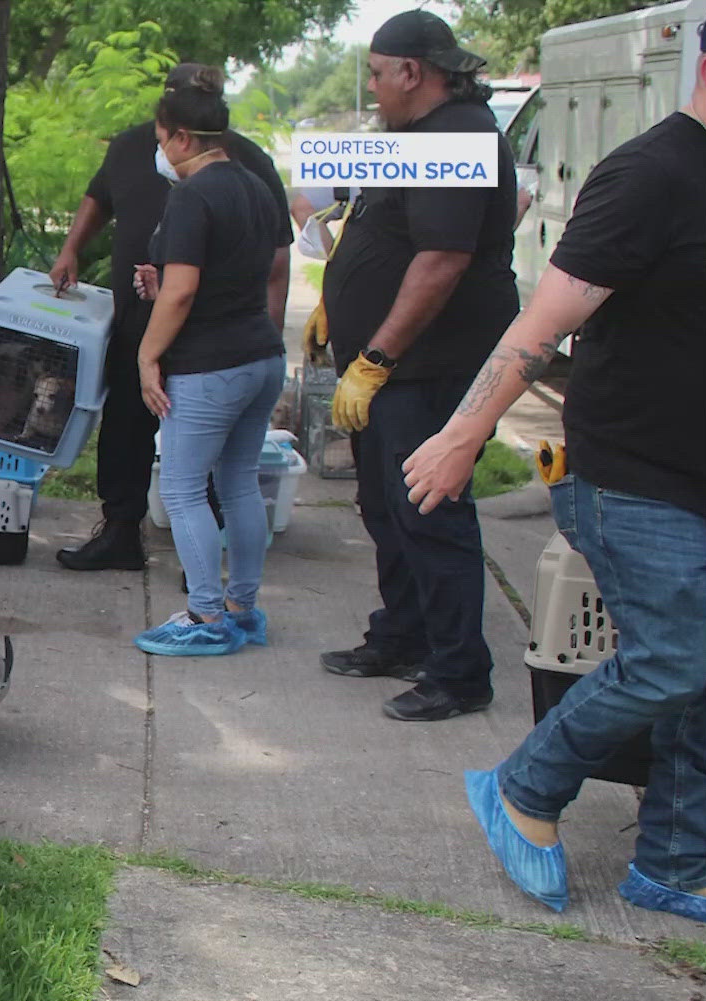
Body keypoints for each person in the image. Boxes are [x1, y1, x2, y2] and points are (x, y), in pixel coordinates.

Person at [403, 20, 706, 923]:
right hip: (635, 475)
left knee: (705, 679)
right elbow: (542, 324)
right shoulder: (652, 174)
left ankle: (675, 862)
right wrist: (464, 434)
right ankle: (524, 788)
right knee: (673, 661)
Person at [317, 10, 519, 722]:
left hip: (428, 365)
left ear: (411, 71)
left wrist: (377, 355)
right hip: (394, 367)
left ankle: (460, 673)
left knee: (428, 509)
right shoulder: (420, 137)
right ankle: (402, 636)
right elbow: (372, 222)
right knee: (383, 505)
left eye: (377, 73)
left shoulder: (459, 136)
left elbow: (442, 260)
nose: (371, 87)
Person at [49, 65, 292, 574]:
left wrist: (151, 354)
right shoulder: (136, 150)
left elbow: (262, 264)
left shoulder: (218, 179)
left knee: (194, 478)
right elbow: (100, 200)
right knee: (133, 432)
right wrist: (73, 249)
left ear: (183, 131)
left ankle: (203, 578)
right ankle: (130, 534)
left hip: (205, 343)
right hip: (154, 321)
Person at [119, 65, 287, 657]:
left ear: (183, 138)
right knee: (239, 483)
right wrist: (163, 283)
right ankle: (243, 608)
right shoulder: (255, 187)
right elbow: (236, 272)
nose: (160, 153)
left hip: (209, 366)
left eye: (161, 141)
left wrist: (147, 355)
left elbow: (184, 291)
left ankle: (205, 616)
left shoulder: (192, 195)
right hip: (261, 355)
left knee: (185, 488)